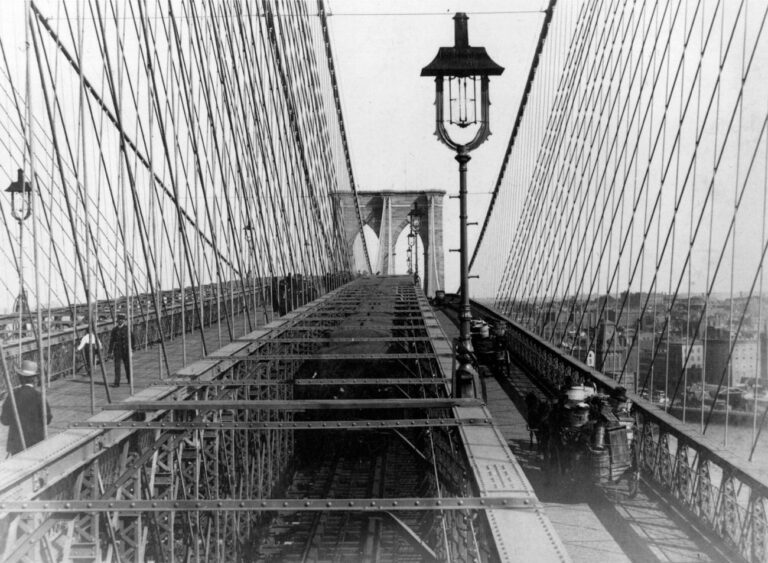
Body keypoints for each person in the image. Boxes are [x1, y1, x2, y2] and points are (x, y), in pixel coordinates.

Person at [1, 360, 52, 455]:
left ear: (20, 378)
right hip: (36, 443)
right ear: (34, 379)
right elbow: (47, 419)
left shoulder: (12, 396)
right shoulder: (38, 396)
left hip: (16, 445)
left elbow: (4, 420)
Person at [108, 314, 134, 387]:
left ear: (124, 320)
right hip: (117, 350)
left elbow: (132, 338)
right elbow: (111, 340)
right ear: (117, 320)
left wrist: (132, 348)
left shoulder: (127, 329)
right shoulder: (114, 330)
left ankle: (129, 379)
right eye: (119, 319)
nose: (121, 320)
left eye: (122, 319)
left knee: (127, 366)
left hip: (125, 350)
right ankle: (117, 382)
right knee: (117, 367)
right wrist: (110, 351)